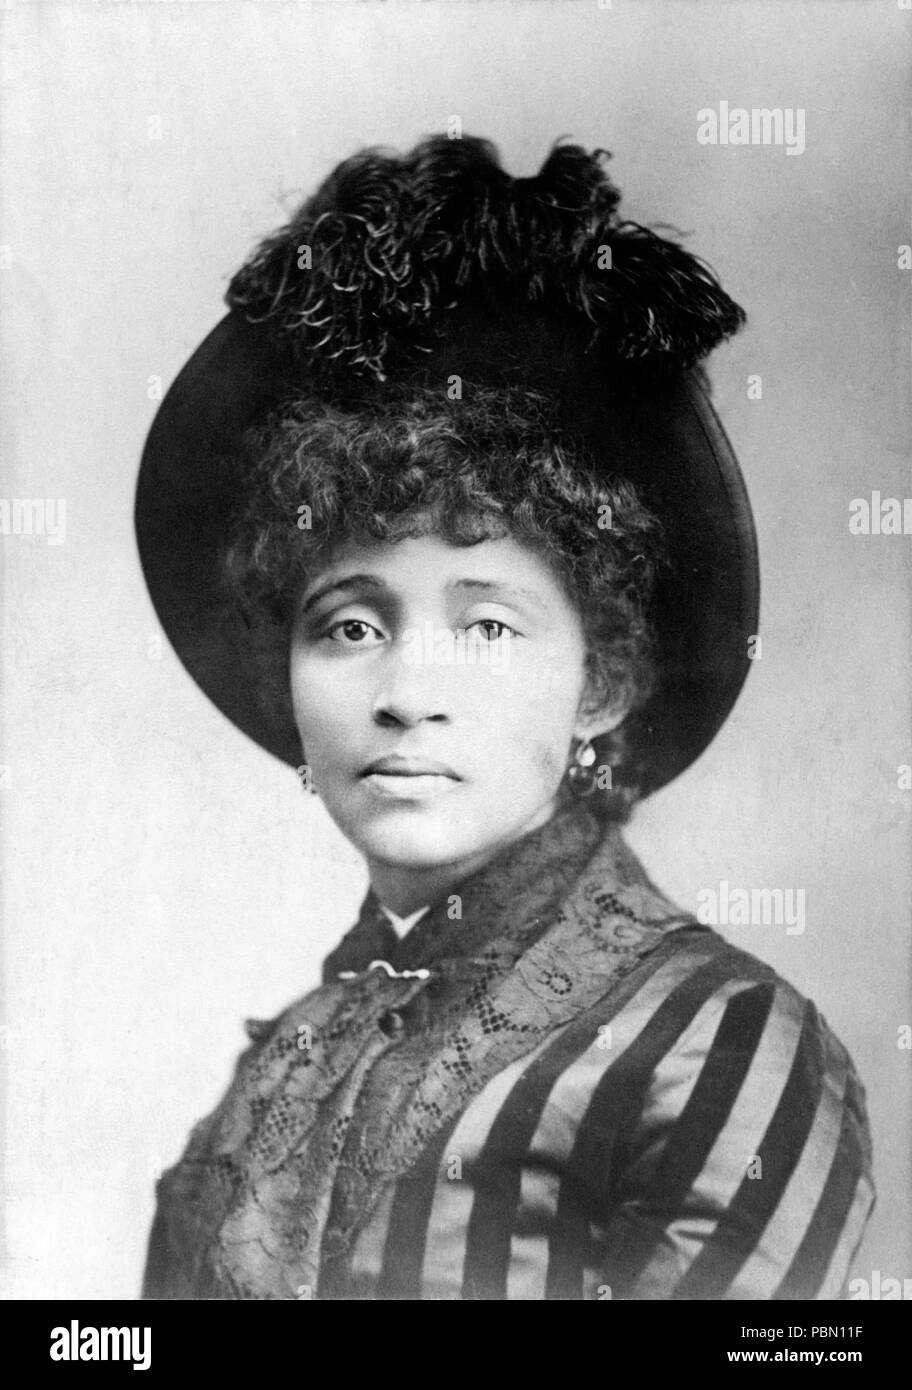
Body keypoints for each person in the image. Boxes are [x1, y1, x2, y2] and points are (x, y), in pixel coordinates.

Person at [135, 136, 874, 1300]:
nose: (405, 690)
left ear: (604, 681)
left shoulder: (718, 1048)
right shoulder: (266, 1088)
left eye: (487, 626)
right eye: (350, 626)